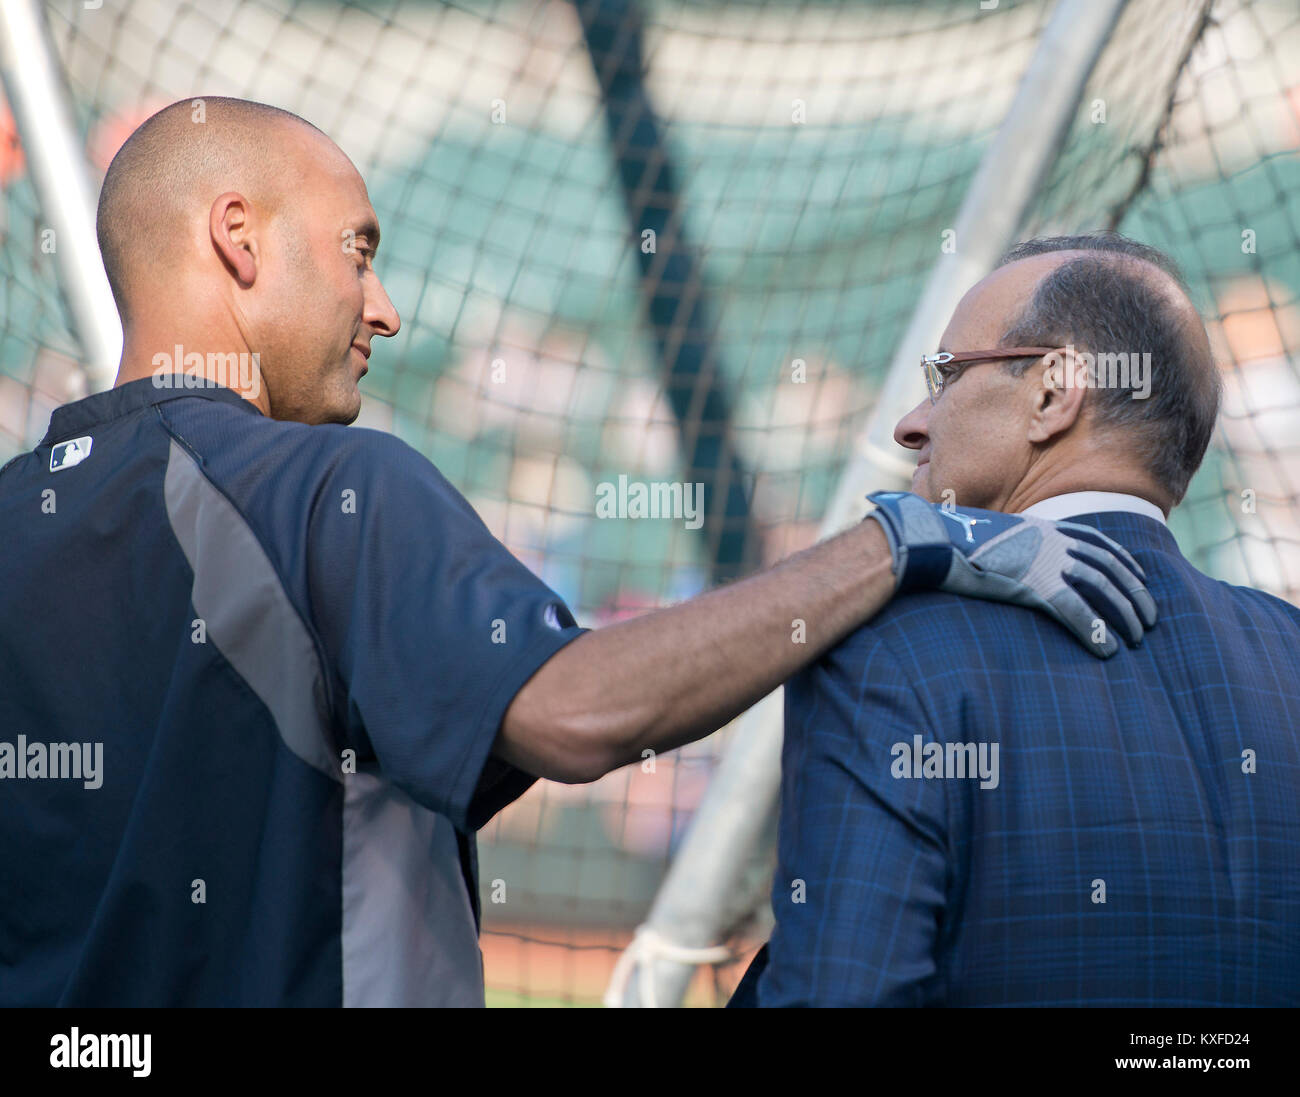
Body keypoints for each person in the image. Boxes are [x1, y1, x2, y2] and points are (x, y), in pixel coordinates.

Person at [0, 100, 1151, 1006]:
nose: (384, 304)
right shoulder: (331, 485)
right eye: (359, 249)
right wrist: (896, 542)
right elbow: (574, 714)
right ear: (237, 238)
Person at [730, 232, 1300, 1007]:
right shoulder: (1290, 651)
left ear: (1051, 395)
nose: (911, 422)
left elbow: (840, 994)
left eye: (946, 375)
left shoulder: (892, 646)